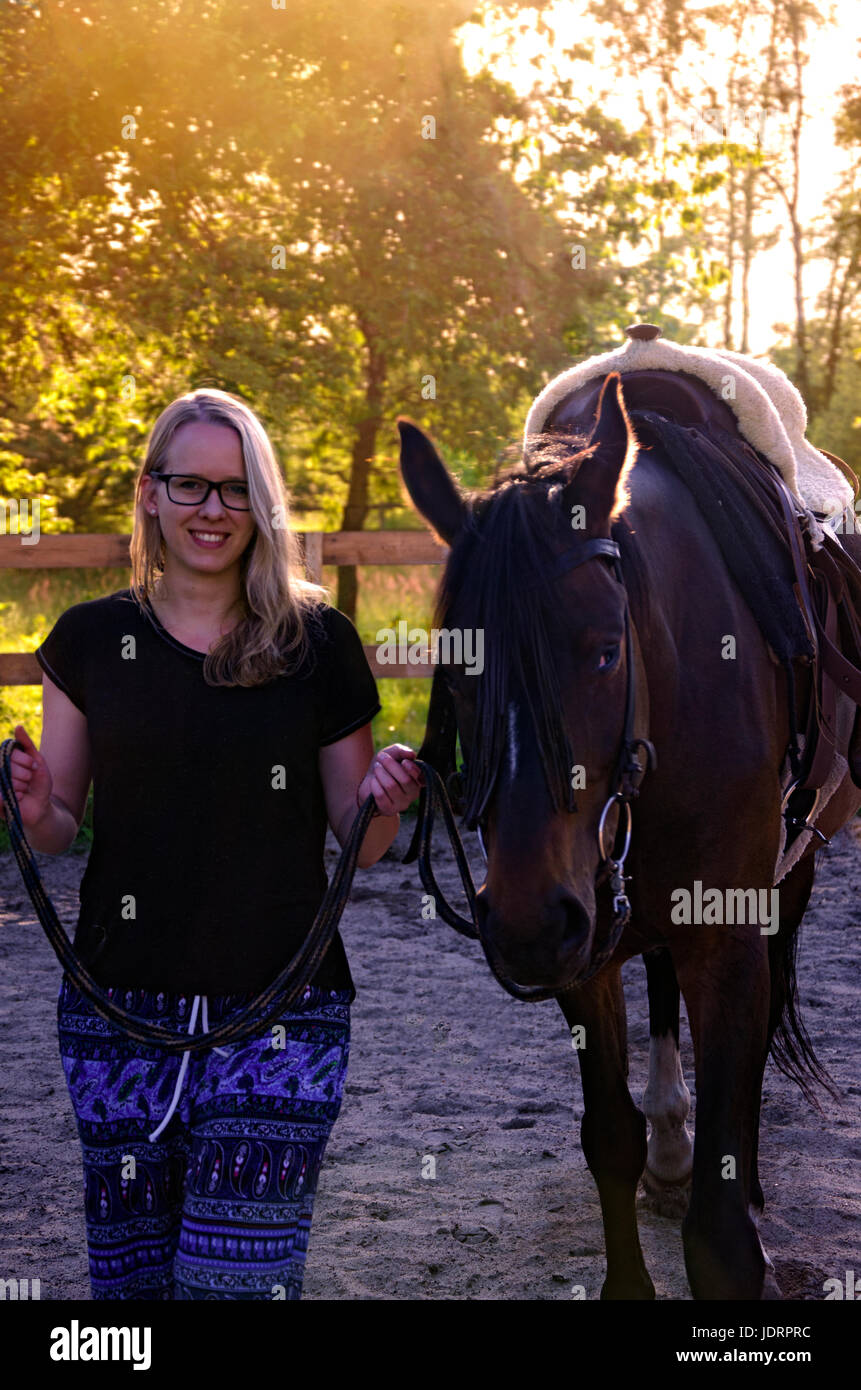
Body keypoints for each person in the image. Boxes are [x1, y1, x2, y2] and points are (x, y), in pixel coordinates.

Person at [0, 387, 423, 1300]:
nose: (213, 511)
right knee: (129, 1293)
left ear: (261, 504)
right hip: (117, 1015)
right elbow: (59, 825)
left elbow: (363, 837)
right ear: (150, 493)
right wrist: (31, 800)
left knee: (236, 1284)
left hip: (282, 1014)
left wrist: (384, 800)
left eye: (235, 491)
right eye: (190, 486)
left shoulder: (317, 643)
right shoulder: (89, 638)